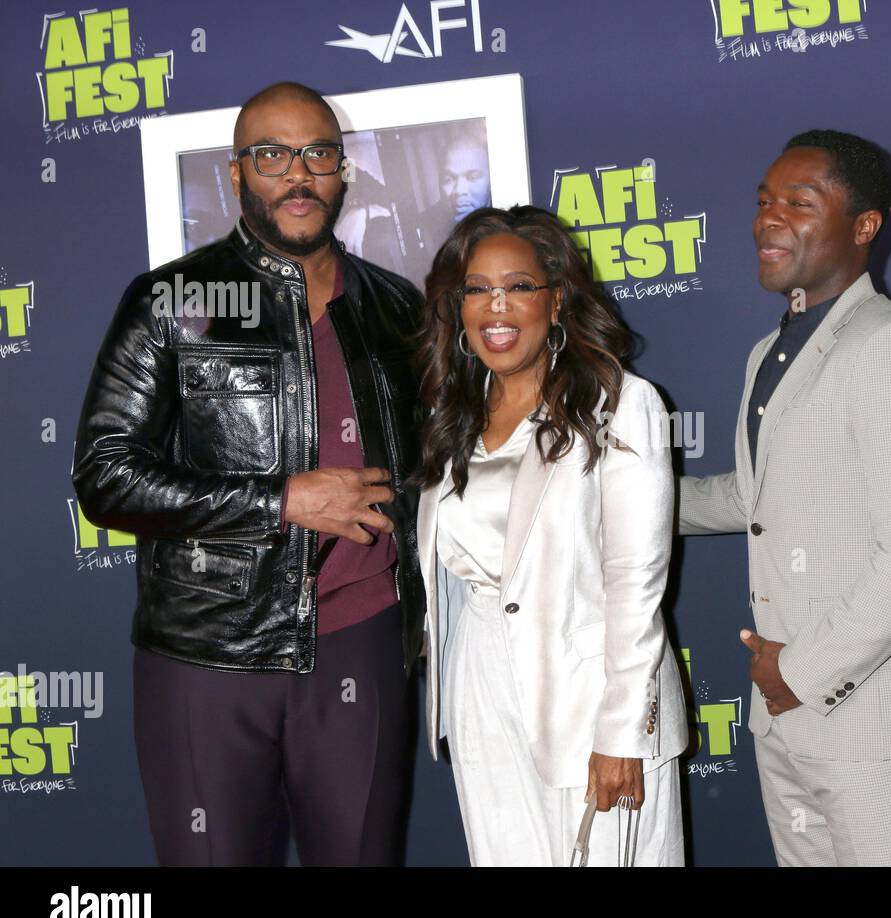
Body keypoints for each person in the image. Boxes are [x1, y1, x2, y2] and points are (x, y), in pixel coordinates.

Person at [72, 82, 427, 865]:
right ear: (237, 174)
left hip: (361, 645)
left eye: (318, 154)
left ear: (343, 170)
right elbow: (104, 475)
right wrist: (283, 499)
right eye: (271, 154)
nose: (297, 175)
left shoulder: (397, 308)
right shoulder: (175, 300)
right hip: (209, 654)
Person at [677, 130, 891, 866]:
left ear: (864, 225)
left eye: (799, 203)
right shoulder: (770, 350)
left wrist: (798, 674)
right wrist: (611, 496)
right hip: (786, 723)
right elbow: (751, 499)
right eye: (764, 201)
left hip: (869, 719)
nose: (768, 219)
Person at [413, 205, 687, 866]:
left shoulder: (622, 405)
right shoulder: (454, 413)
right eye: (476, 289)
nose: (495, 306)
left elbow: (636, 580)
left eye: (518, 286)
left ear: (557, 299)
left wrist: (623, 731)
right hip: (482, 689)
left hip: (589, 697)